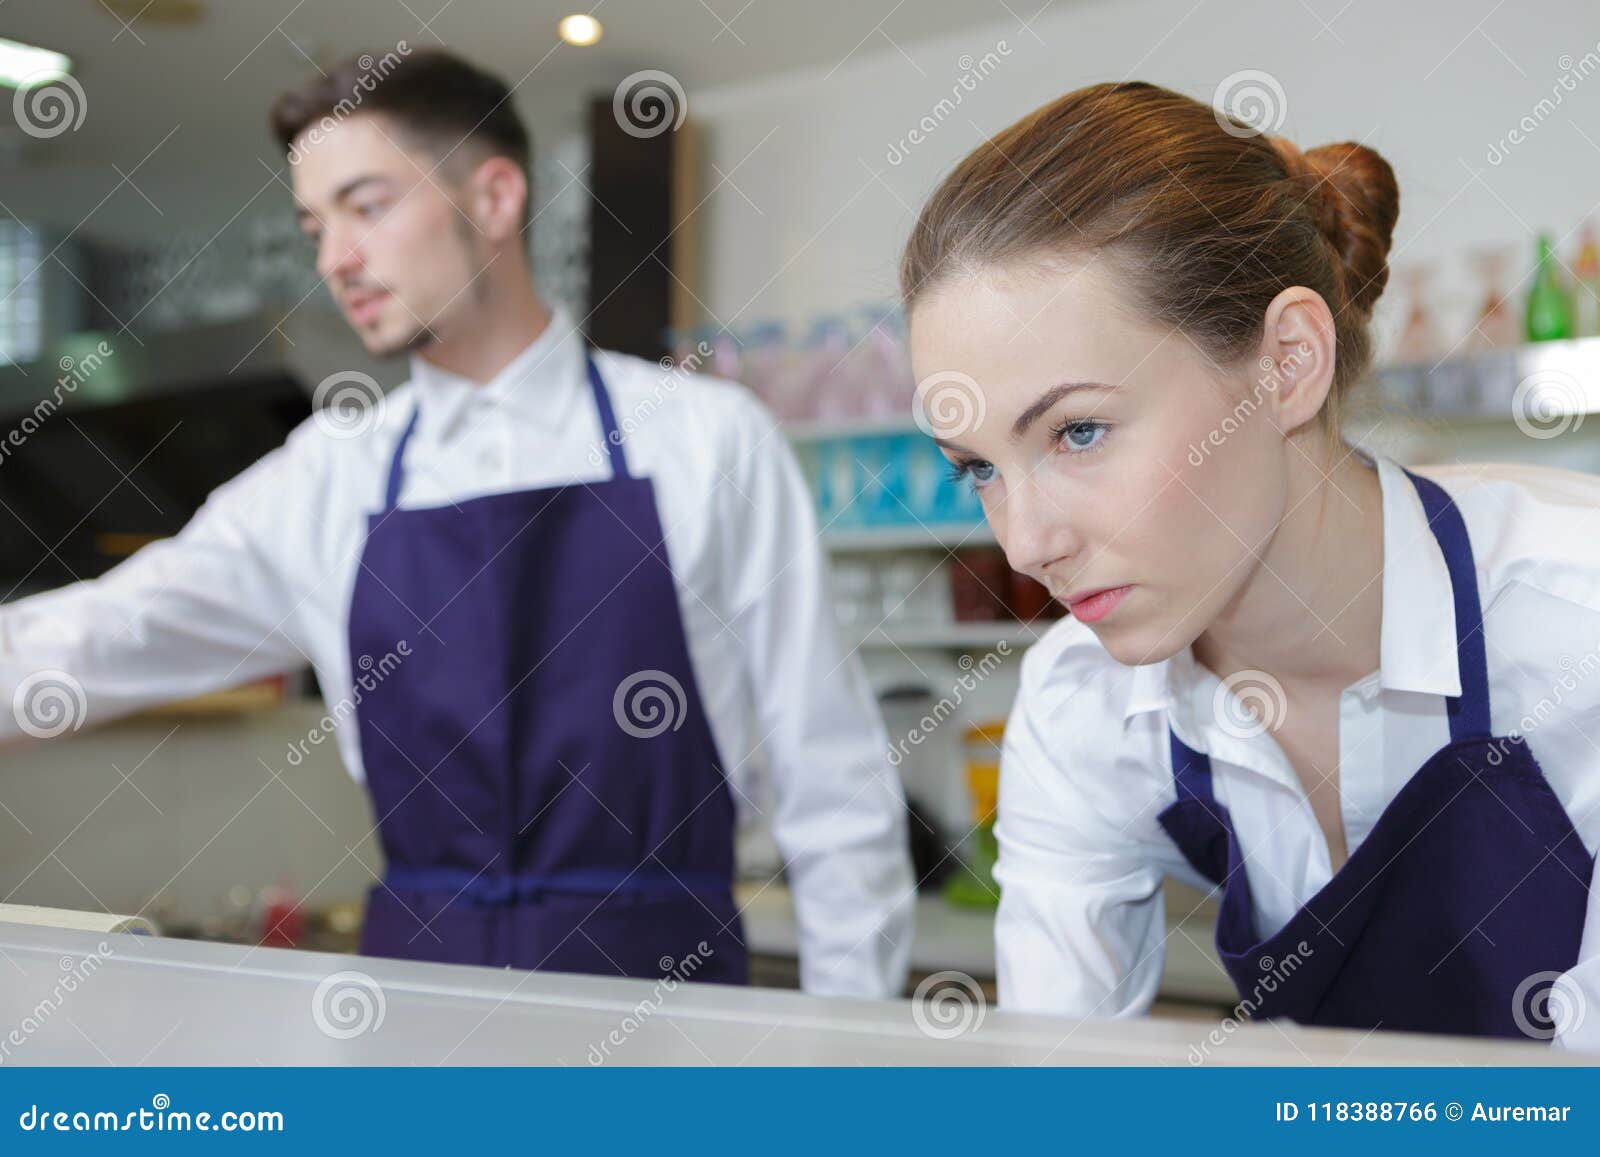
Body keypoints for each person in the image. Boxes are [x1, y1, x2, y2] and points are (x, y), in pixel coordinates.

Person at [0, 49, 913, 997]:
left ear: (495, 198)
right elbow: (93, 639)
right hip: (416, 1014)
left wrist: (848, 1071)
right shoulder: (326, 477)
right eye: (314, 224)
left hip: (669, 1008)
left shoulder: (708, 441)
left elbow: (835, 783)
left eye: (368, 205)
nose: (333, 259)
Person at [900, 80, 1600, 1039]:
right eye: (977, 467)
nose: (1027, 545)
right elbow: (1060, 1089)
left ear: (1287, 363)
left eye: (1080, 430)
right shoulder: (1086, 707)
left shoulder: (1575, 623)